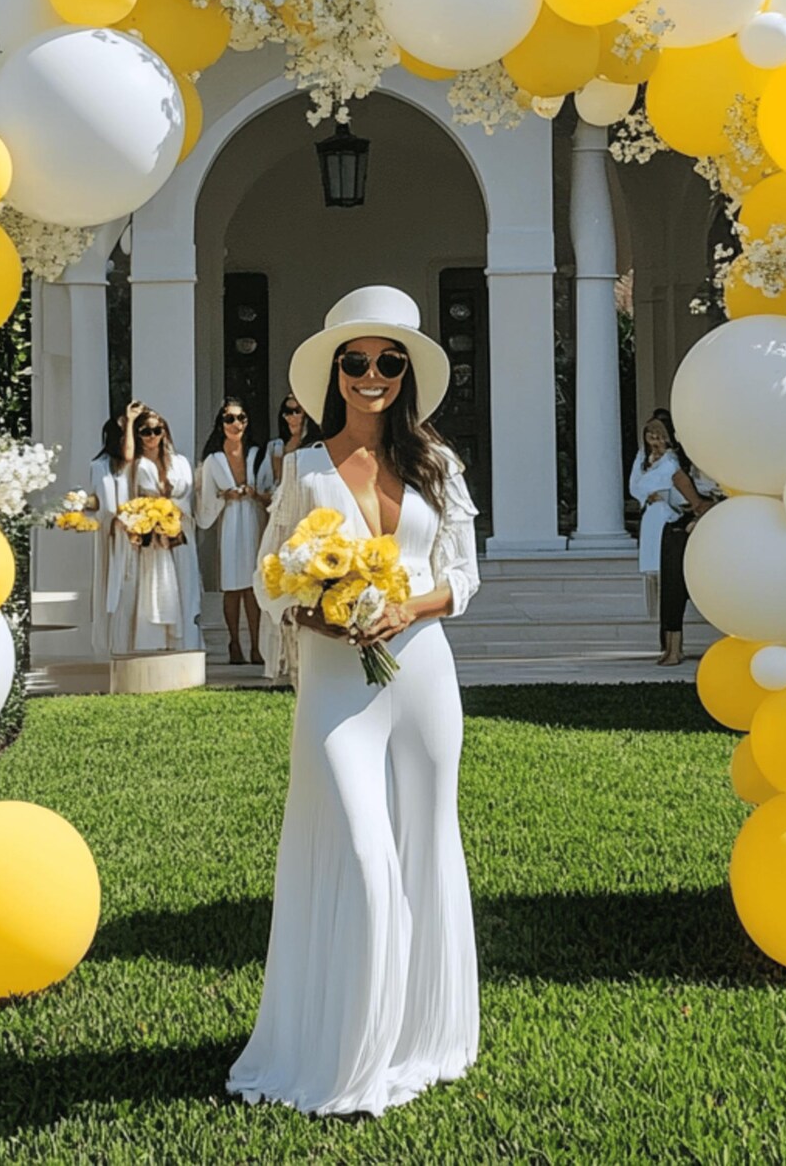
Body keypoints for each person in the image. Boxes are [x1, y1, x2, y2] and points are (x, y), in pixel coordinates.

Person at [228, 285, 481, 1117]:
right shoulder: (301, 470)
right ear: (334, 374)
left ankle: (423, 1038)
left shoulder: (438, 465)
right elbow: (271, 575)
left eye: (388, 362)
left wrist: (411, 606)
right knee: (367, 860)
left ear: (405, 374)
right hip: (337, 684)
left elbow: (464, 576)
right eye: (357, 362)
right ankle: (345, 1054)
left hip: (424, 677)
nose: (372, 376)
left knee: (427, 847)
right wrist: (314, 611)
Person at [106, 403, 202, 654]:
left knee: (184, 585)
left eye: (157, 430)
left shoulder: (180, 463)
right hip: (151, 537)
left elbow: (189, 497)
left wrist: (172, 514)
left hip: (178, 532)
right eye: (145, 432)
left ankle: (184, 643)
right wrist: (129, 421)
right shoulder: (136, 465)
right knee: (152, 588)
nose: (152, 436)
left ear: (164, 432)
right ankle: (152, 642)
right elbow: (127, 461)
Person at [627, 411, 714, 665]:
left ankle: (675, 647)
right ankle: (668, 646)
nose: (654, 438)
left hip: (673, 522)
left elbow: (688, 494)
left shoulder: (674, 463)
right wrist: (649, 495)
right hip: (654, 522)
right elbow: (636, 486)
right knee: (663, 585)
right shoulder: (644, 460)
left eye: (659, 434)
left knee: (673, 586)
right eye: (650, 433)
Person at [254, 392, 322, 685]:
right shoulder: (278, 447)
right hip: (280, 519)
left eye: (298, 411)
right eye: (288, 412)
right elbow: (272, 485)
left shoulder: (317, 447)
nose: (293, 417)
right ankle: (282, 661)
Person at [195, 397, 268, 666]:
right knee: (232, 588)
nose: (235, 423)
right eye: (229, 419)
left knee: (251, 587)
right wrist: (224, 496)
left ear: (247, 422)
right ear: (221, 423)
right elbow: (205, 497)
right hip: (229, 522)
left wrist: (254, 493)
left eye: (241, 418)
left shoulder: (256, 454)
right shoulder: (213, 460)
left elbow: (270, 486)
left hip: (252, 518)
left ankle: (256, 646)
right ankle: (234, 643)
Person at [87, 408, 131, 661]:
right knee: (106, 585)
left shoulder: (136, 466)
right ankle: (105, 645)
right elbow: (95, 501)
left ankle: (126, 642)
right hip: (107, 533)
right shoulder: (98, 466)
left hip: (132, 534)